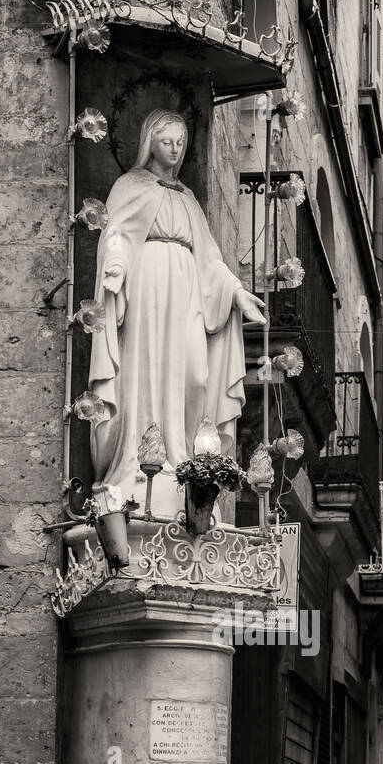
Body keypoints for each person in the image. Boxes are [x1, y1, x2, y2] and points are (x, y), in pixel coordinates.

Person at [87, 109, 266, 515]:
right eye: (167, 141)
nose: (174, 149)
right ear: (150, 142)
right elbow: (115, 234)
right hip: (147, 287)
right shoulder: (130, 186)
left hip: (186, 293)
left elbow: (210, 260)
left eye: (181, 143)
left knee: (193, 375)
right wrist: (115, 267)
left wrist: (237, 293)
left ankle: (183, 459)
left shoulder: (188, 199)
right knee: (143, 371)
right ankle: (137, 463)